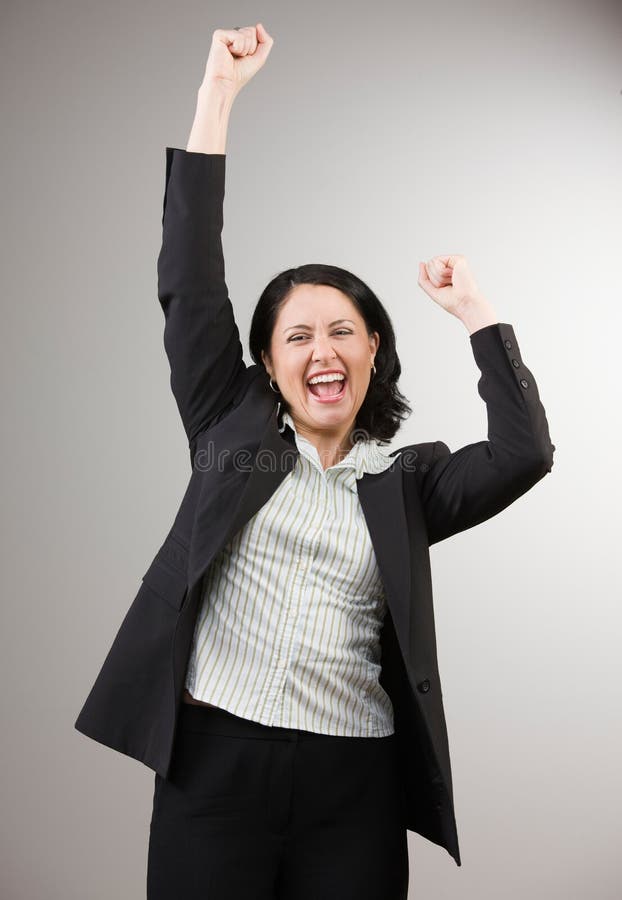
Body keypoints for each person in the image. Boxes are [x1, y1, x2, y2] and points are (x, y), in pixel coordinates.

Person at [74, 23, 555, 900]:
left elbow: (526, 453)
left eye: (343, 331)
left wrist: (477, 313)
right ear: (267, 362)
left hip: (354, 786)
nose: (322, 350)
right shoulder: (230, 428)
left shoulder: (407, 482)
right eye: (298, 335)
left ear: (374, 348)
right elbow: (190, 279)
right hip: (214, 769)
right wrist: (216, 94)